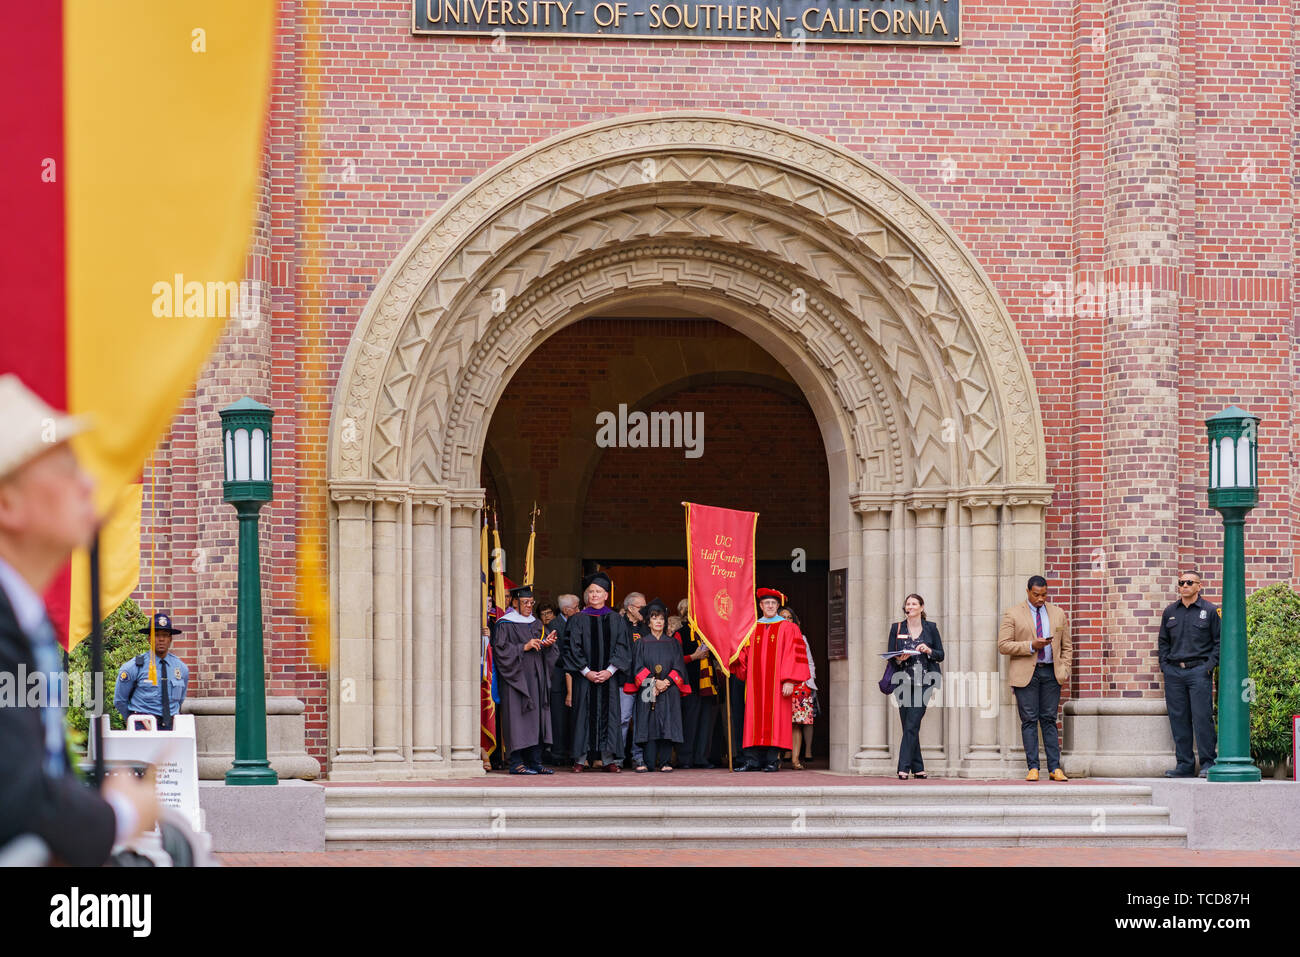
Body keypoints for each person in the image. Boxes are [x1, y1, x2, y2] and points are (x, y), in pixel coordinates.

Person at [0, 374, 157, 864]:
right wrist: (119, 815)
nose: (88, 483)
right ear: (7, 503)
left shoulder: (26, 618)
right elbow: (18, 795)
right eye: (67, 467)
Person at [998, 575, 1072, 782]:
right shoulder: (1013, 613)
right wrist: (1031, 645)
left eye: (1044, 595)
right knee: (1029, 720)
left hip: (1051, 672)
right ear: (1028, 591)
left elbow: (1067, 646)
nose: (1041, 598)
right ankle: (1033, 768)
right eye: (1037, 595)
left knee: (1049, 719)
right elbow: (1003, 645)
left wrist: (1064, 669)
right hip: (1026, 674)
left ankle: (1054, 768)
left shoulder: (1058, 613)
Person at [733, 587, 810, 772]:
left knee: (775, 721)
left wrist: (790, 680)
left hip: (778, 684)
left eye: (773, 603)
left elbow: (794, 655)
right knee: (753, 720)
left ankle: (771, 760)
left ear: (777, 606)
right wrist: (732, 657)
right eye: (766, 603)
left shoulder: (789, 628)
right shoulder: (751, 628)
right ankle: (751, 760)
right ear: (760, 605)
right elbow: (742, 653)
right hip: (754, 685)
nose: (769, 606)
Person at [561, 572, 632, 772]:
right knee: (583, 716)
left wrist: (609, 671)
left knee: (609, 717)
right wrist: (585, 671)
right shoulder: (577, 620)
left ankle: (609, 760)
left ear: (606, 595)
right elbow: (571, 648)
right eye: (591, 591)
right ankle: (580, 759)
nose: (594, 595)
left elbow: (623, 648)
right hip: (585, 679)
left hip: (608, 679)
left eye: (598, 591)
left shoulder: (616, 619)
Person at [491, 585, 560, 775]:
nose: (529, 606)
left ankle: (535, 761)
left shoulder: (536, 623)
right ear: (515, 603)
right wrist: (524, 646)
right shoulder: (505, 624)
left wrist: (547, 645)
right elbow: (500, 651)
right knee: (518, 721)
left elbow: (548, 653)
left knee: (537, 720)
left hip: (536, 680)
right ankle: (516, 763)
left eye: (531, 602)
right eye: (525, 603)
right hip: (516, 681)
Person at [1158, 570, 1220, 778]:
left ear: (1199, 586)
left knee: (1202, 718)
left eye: (1189, 582)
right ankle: (1184, 765)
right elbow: (1163, 642)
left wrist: (1208, 667)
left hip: (1199, 672)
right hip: (1174, 672)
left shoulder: (1210, 611)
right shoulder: (1170, 612)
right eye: (1181, 583)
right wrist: (1165, 666)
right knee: (1178, 719)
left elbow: (1218, 642)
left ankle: (1207, 763)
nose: (1184, 586)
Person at [626, 599, 691, 772]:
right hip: (648, 687)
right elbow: (637, 667)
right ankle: (647, 762)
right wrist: (653, 683)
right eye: (655, 618)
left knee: (668, 723)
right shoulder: (641, 643)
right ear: (648, 621)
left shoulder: (673, 643)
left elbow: (679, 666)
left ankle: (665, 762)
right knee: (648, 723)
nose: (659, 622)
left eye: (661, 618)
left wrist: (666, 682)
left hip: (669, 688)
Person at [887, 594, 944, 779]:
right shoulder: (897, 627)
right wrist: (898, 657)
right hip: (903, 680)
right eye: (908, 604)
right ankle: (918, 768)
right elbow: (890, 654)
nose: (910, 606)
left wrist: (928, 650)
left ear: (921, 607)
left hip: (925, 680)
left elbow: (940, 654)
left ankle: (903, 767)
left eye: (914, 604)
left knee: (912, 722)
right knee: (909, 725)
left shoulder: (931, 628)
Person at [113, 612, 190, 731]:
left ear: (170, 639)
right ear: (149, 638)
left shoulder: (181, 669)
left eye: (165, 635)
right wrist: (133, 721)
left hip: (171, 727)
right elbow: (119, 700)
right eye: (156, 635)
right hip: (143, 726)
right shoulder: (134, 667)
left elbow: (179, 701)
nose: (161, 639)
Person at [674, 598, 718, 768]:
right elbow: (675, 659)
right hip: (689, 682)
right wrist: (694, 657)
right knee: (690, 721)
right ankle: (685, 758)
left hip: (707, 684)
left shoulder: (708, 632)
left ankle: (701, 757)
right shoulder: (680, 632)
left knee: (705, 723)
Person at [781, 606, 817, 769]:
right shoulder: (773, 637)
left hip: (800, 685)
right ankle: (776, 759)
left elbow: (809, 662)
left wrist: (809, 682)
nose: (786, 620)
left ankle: (795, 760)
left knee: (797, 723)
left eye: (789, 617)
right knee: (779, 723)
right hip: (779, 684)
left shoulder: (800, 638)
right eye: (782, 617)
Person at [618, 591, 647, 767]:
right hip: (625, 679)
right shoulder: (619, 625)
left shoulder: (648, 627)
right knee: (623, 719)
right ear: (630, 608)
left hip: (648, 682)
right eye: (641, 607)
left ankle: (639, 757)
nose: (645, 611)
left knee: (644, 720)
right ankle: (618, 758)